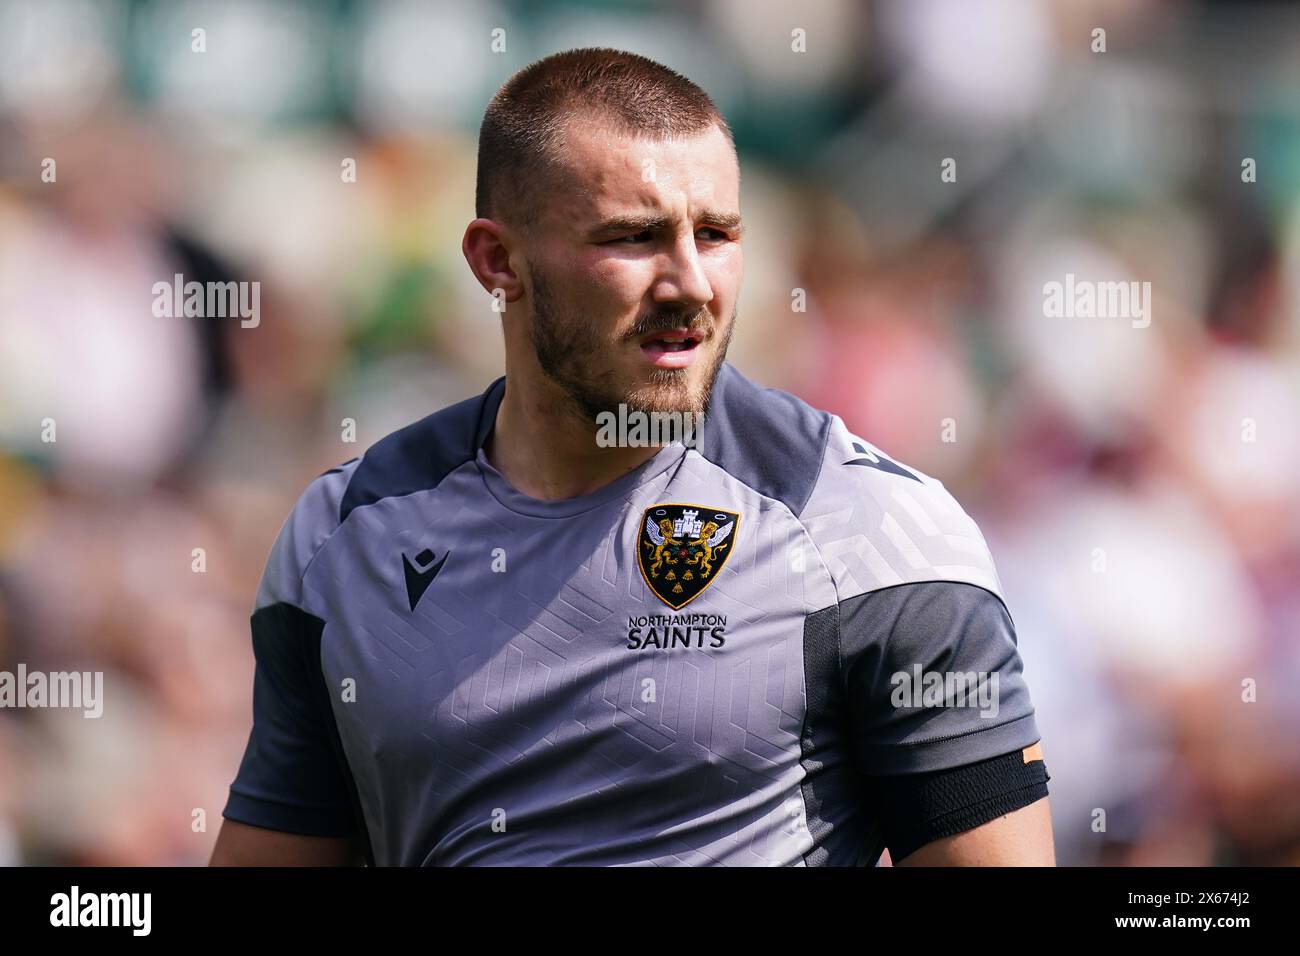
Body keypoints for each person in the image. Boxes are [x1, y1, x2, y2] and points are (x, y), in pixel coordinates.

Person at [211, 47, 1053, 866]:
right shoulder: (344, 538)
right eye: (636, 237)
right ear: (497, 262)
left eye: (716, 233)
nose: (691, 282)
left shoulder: (874, 541)